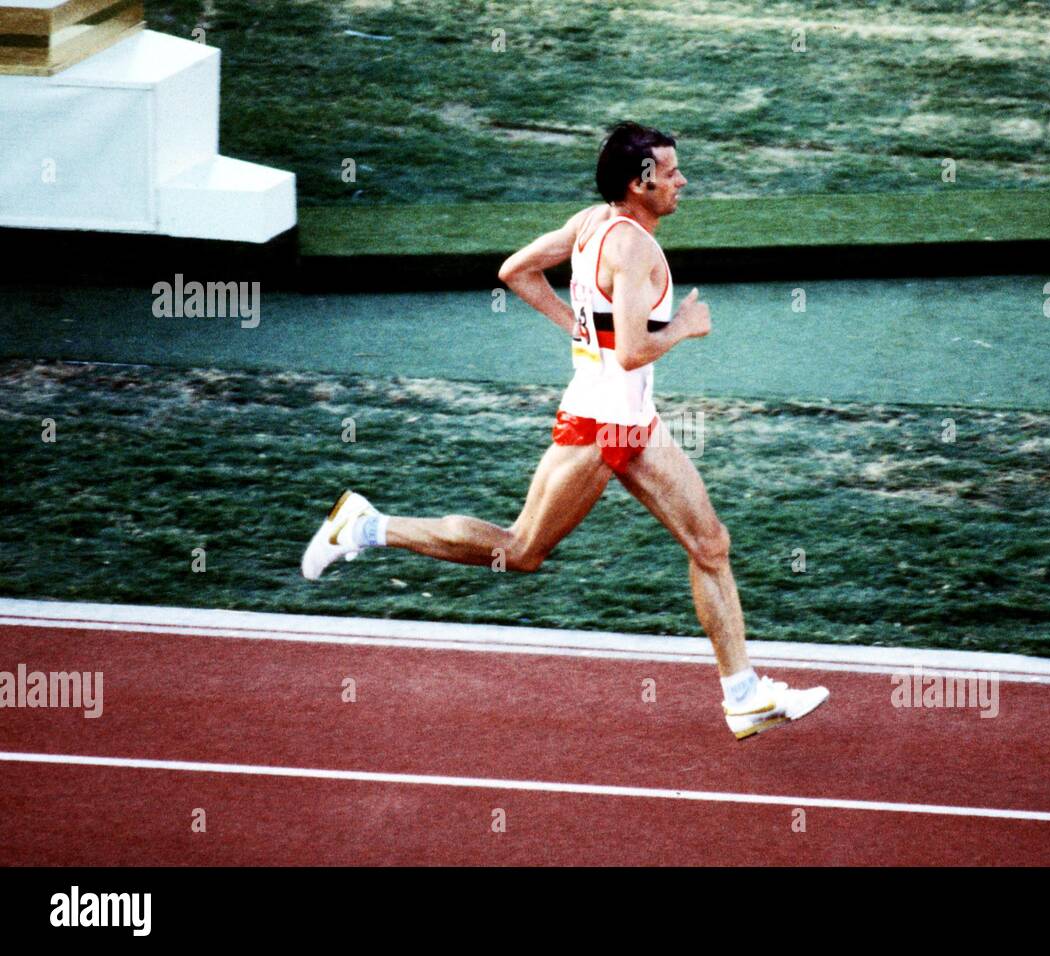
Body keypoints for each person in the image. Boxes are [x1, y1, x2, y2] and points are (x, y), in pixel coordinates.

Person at [301, 122, 828, 739]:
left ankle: (743, 696)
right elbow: (631, 351)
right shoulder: (634, 248)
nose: (683, 180)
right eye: (672, 170)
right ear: (641, 182)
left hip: (633, 424)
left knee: (709, 543)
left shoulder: (588, 223)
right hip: (600, 427)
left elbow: (516, 271)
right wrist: (684, 326)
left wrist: (581, 330)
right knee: (520, 550)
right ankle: (362, 527)